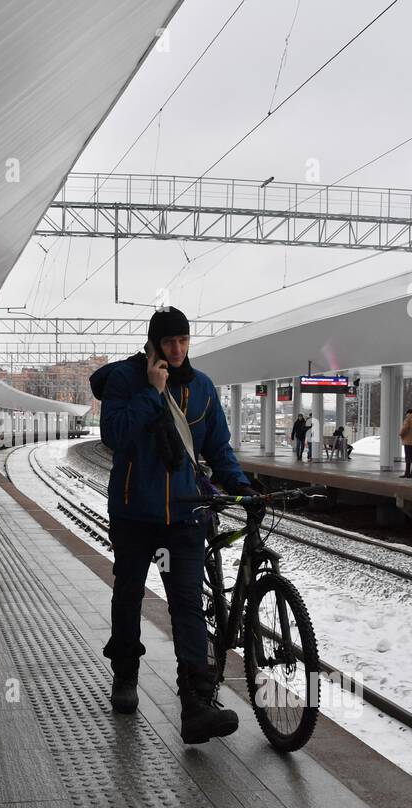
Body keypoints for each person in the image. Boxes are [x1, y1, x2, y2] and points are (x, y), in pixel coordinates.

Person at [91, 306, 254, 746]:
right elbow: (114, 434)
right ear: (153, 345)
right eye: (169, 342)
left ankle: (196, 706)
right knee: (129, 594)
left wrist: (241, 486)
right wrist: (152, 390)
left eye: (183, 341)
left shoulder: (201, 388)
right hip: (133, 515)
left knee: (187, 604)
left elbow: (218, 447)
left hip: (185, 515)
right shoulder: (126, 381)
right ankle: (125, 673)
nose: (178, 349)